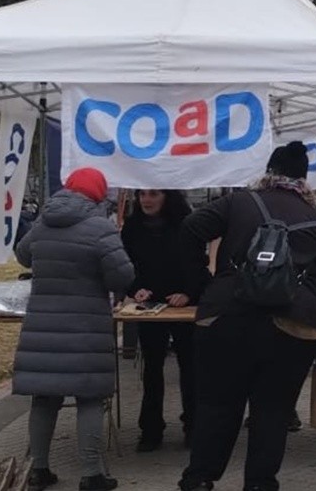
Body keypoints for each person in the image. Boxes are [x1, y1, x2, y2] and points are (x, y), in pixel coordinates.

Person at [177, 143, 316, 491]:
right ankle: (259, 483)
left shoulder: (239, 202)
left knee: (217, 404)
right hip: (294, 325)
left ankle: (199, 479)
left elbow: (191, 227)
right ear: (304, 178)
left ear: (268, 171)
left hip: (226, 316)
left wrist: (205, 284)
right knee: (273, 410)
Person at [14, 168, 134, 491]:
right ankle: (92, 474)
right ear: (98, 194)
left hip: (42, 328)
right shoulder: (100, 228)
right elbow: (122, 276)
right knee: (90, 398)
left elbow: (23, 255)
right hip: (86, 330)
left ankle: (37, 469)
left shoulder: (42, 222)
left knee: (44, 399)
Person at [121, 189, 198, 453]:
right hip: (149, 305)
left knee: (190, 367)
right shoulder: (131, 228)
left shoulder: (186, 224)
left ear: (167, 197)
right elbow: (125, 264)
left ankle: (194, 426)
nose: (146, 200)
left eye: (153, 194)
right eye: (142, 194)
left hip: (182, 305)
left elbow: (197, 264)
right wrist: (135, 289)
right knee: (152, 369)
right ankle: (151, 429)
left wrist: (188, 292)